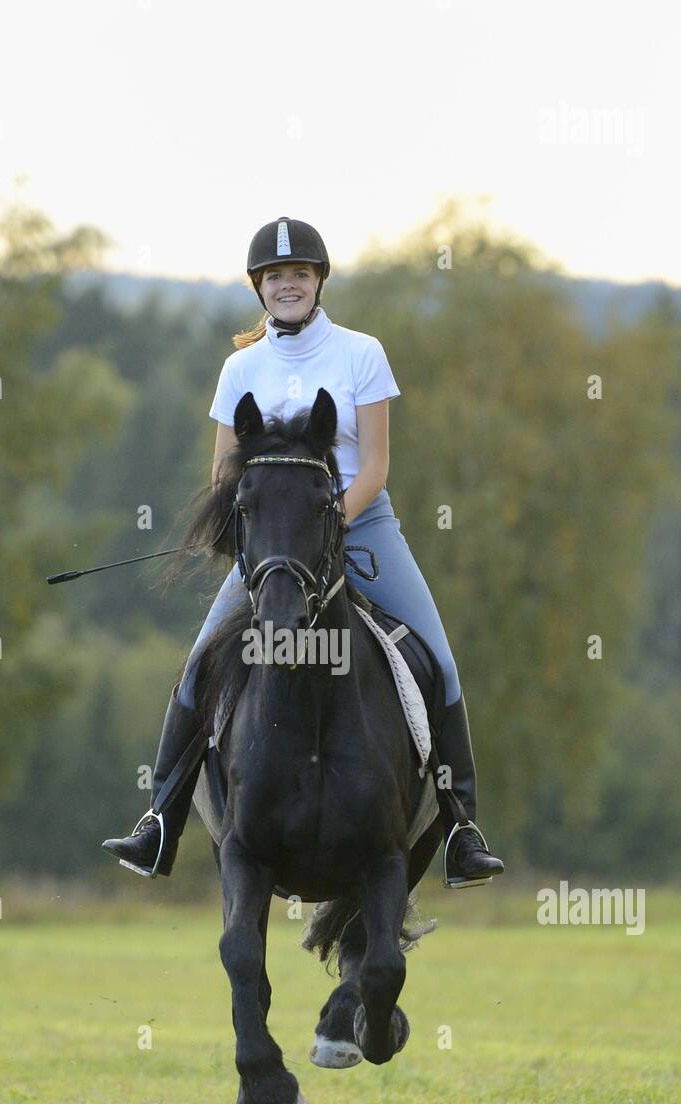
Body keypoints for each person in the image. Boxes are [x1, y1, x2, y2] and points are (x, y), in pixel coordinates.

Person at [102, 216, 503, 886]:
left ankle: (462, 826)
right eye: (275, 277)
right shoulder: (240, 368)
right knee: (200, 666)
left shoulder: (360, 353)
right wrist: (265, 537)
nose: (287, 285)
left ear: (317, 282)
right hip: (273, 548)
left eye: (299, 274)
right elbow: (222, 477)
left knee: (438, 660)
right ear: (259, 287)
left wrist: (328, 527)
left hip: (360, 527)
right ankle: (159, 823)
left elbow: (372, 467)